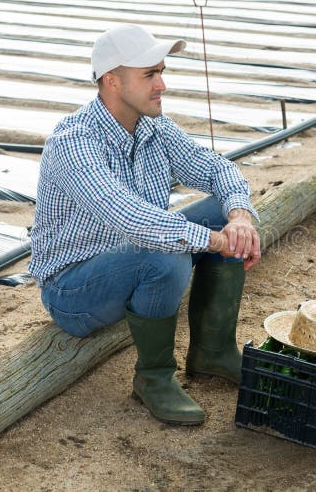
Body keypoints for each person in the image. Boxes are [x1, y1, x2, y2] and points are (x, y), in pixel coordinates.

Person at [28, 24, 261, 426]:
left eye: (161, 71)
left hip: (134, 257)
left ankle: (213, 352)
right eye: (149, 75)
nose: (162, 85)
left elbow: (215, 167)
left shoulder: (154, 127)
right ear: (112, 81)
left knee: (227, 215)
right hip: (74, 288)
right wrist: (214, 242)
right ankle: (153, 378)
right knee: (166, 253)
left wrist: (239, 216)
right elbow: (132, 220)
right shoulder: (74, 142)